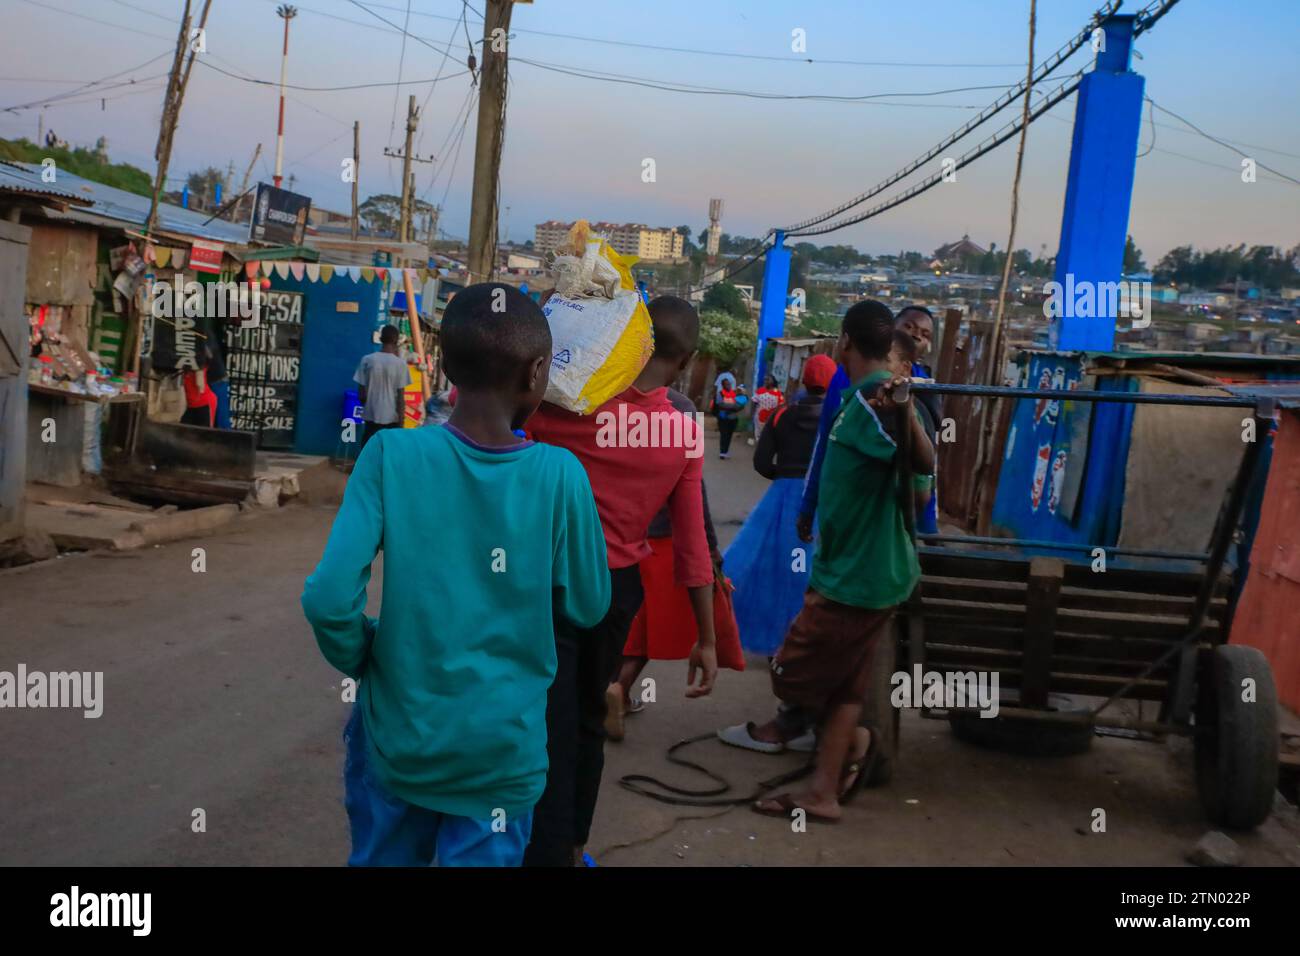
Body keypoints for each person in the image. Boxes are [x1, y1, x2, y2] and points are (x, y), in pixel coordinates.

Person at [301, 283, 610, 867]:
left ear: (442, 364)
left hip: (400, 738)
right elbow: (590, 605)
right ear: (537, 372)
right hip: (501, 754)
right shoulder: (560, 475)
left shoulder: (391, 457)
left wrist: (365, 654)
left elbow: (327, 598)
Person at [525, 294, 718, 867]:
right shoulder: (683, 433)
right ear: (686, 362)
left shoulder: (566, 409)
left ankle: (543, 852)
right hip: (616, 593)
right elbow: (693, 547)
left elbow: (485, 401)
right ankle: (575, 845)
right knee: (586, 721)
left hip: (550, 584)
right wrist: (704, 640)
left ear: (631, 338)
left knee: (546, 726)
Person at [751, 300, 935, 823]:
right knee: (847, 686)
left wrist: (902, 416)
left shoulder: (876, 407)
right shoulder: (857, 401)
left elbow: (922, 475)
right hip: (867, 571)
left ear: (844, 344)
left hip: (857, 578)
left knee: (790, 670)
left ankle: (848, 744)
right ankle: (824, 789)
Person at [605, 394, 744, 743]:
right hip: (666, 538)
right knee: (651, 631)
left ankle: (607, 690)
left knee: (622, 625)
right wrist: (710, 548)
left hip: (614, 536)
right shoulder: (680, 409)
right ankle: (618, 689)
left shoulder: (608, 397)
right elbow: (694, 491)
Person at [724, 354, 836, 659]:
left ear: (804, 380)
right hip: (821, 498)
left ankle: (776, 639)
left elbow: (761, 462)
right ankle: (809, 642)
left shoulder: (780, 415)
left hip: (782, 497)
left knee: (777, 568)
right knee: (812, 570)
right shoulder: (838, 417)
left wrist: (783, 478)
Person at [353, 325, 411, 448]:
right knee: (388, 453)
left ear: (381, 338)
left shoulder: (367, 360)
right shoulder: (400, 365)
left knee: (368, 451)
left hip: (371, 416)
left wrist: (369, 404)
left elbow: (361, 394)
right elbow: (400, 398)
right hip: (392, 419)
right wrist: (401, 422)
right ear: (396, 340)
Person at [713, 369, 746, 459]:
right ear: (723, 385)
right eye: (727, 384)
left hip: (733, 418)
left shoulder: (734, 394)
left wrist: (737, 406)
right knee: (724, 434)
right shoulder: (720, 394)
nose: (729, 386)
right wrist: (733, 407)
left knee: (729, 435)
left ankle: (726, 451)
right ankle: (722, 452)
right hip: (723, 417)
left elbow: (739, 405)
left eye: (729, 384)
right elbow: (720, 404)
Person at [751, 373, 784, 442]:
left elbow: (781, 405)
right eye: (765, 380)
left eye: (768, 379)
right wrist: (753, 413)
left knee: (768, 435)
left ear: (773, 381)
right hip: (759, 417)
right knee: (758, 435)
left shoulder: (778, 392)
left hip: (771, 418)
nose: (765, 381)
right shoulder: (760, 390)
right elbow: (754, 402)